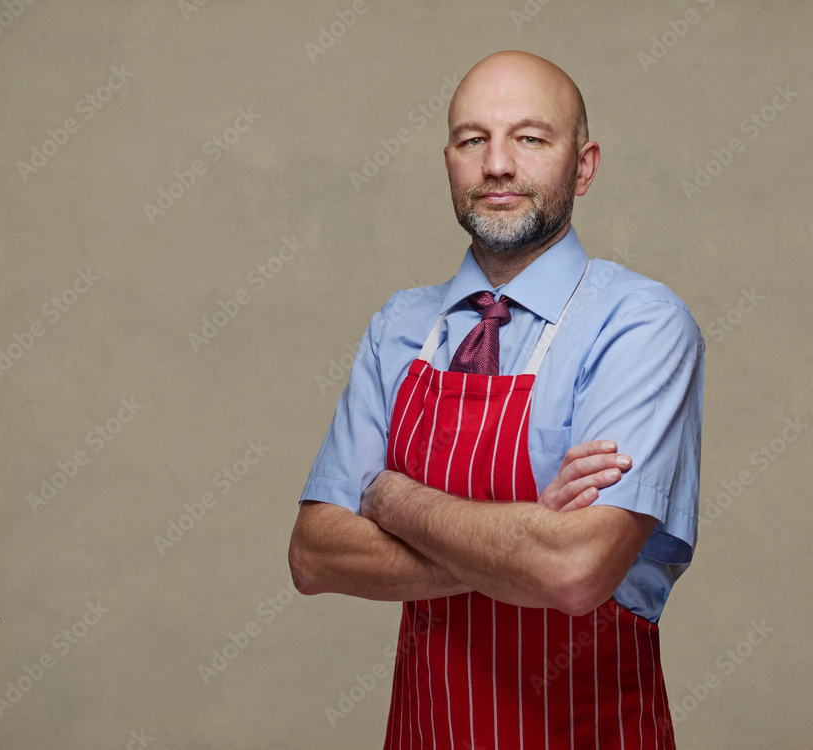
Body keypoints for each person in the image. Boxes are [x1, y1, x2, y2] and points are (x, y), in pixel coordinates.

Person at [289, 50, 704, 749]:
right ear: (448, 160)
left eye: (531, 138)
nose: (498, 165)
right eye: (472, 139)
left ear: (584, 165)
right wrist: (526, 541)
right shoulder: (399, 328)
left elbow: (574, 573)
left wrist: (394, 501)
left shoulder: (639, 323)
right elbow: (313, 556)